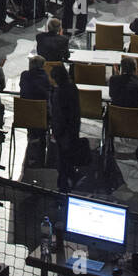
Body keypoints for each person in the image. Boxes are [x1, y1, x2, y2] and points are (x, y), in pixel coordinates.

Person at [49, 63, 82, 191]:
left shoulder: (58, 93)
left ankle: (64, 184)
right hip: (73, 126)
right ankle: (71, 176)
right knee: (68, 155)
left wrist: (55, 131)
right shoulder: (73, 88)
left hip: (62, 130)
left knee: (62, 157)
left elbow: (58, 114)